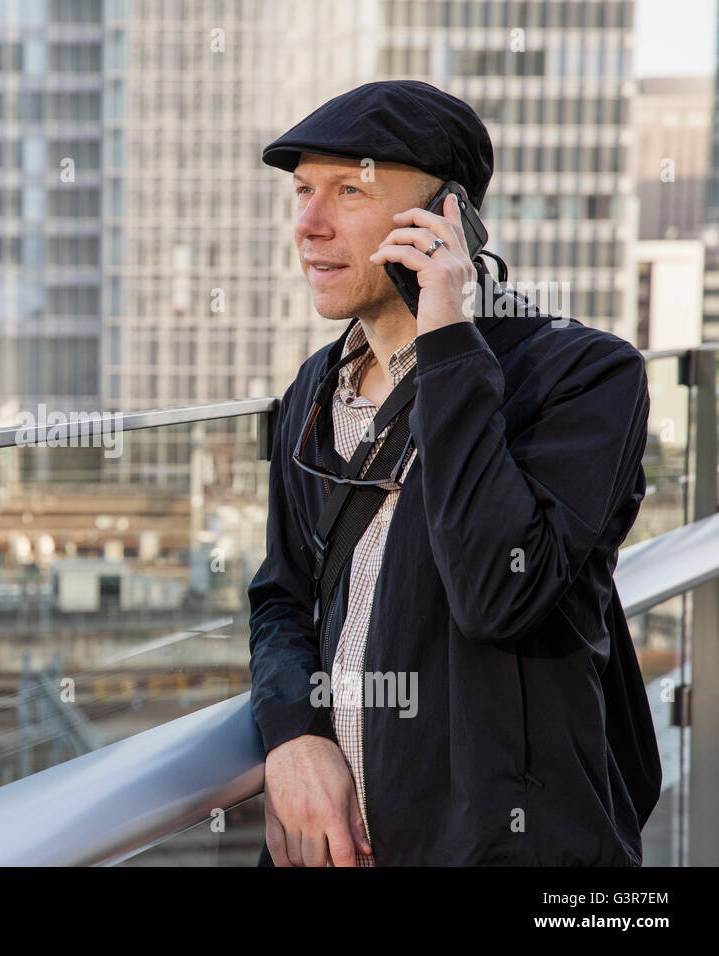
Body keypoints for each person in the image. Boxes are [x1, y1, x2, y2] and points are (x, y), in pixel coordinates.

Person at [249, 80, 661, 866]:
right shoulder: (316, 386)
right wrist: (293, 735)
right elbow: (281, 598)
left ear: (447, 218)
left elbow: (498, 593)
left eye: (349, 190)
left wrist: (448, 338)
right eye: (303, 191)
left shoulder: (583, 376)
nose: (309, 224)